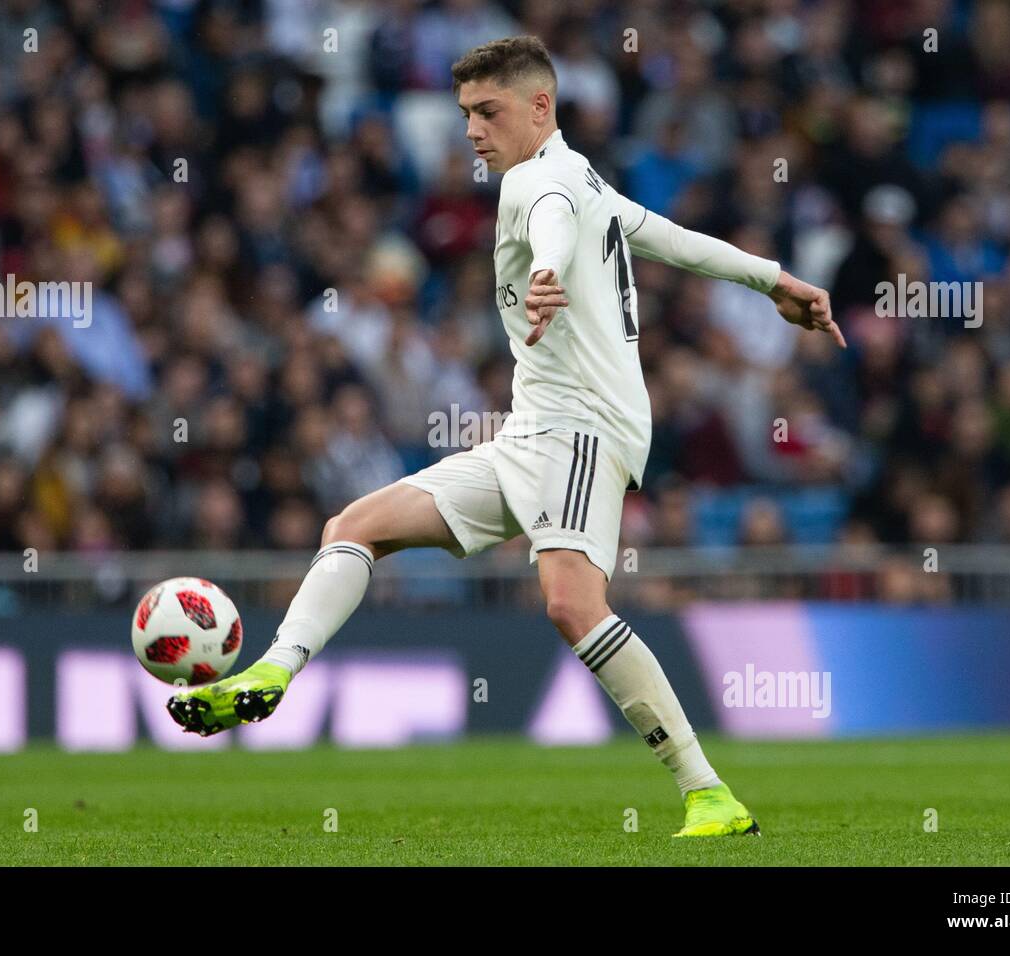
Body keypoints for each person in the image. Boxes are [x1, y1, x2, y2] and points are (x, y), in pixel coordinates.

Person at [167, 35, 846, 838]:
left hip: (584, 426)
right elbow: (669, 237)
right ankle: (275, 673)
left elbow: (554, 225)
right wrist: (776, 279)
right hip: (532, 431)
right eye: (464, 114)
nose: (471, 130)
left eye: (487, 111)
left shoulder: (540, 181)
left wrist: (550, 270)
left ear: (539, 107)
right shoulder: (582, 175)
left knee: (569, 602)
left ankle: (707, 791)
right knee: (354, 528)